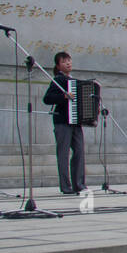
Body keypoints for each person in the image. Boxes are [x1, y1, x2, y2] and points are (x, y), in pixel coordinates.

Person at [42, 51, 86, 194]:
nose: (68, 63)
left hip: (75, 122)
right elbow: (47, 98)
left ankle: (79, 184)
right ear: (58, 66)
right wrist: (64, 96)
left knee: (79, 151)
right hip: (62, 121)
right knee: (63, 154)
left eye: (69, 60)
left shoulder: (73, 81)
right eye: (64, 61)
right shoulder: (58, 80)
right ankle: (66, 186)